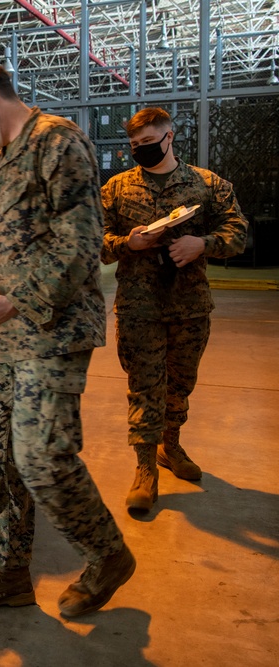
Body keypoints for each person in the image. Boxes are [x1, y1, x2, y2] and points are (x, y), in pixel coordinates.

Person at [0, 58, 133, 618]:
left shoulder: (59, 143)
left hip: (53, 330)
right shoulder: (0, 163)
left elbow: (81, 242)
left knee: (43, 456)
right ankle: (9, 573)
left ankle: (107, 555)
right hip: (1, 336)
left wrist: (17, 301)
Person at [101, 107, 248, 512]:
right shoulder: (116, 187)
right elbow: (95, 239)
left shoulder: (206, 184)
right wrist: (126, 244)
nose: (140, 151)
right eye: (134, 146)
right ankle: (145, 468)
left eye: (148, 143)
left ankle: (171, 447)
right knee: (145, 387)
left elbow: (237, 232)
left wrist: (203, 244)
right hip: (138, 307)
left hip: (189, 305)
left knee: (180, 385)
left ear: (169, 138)